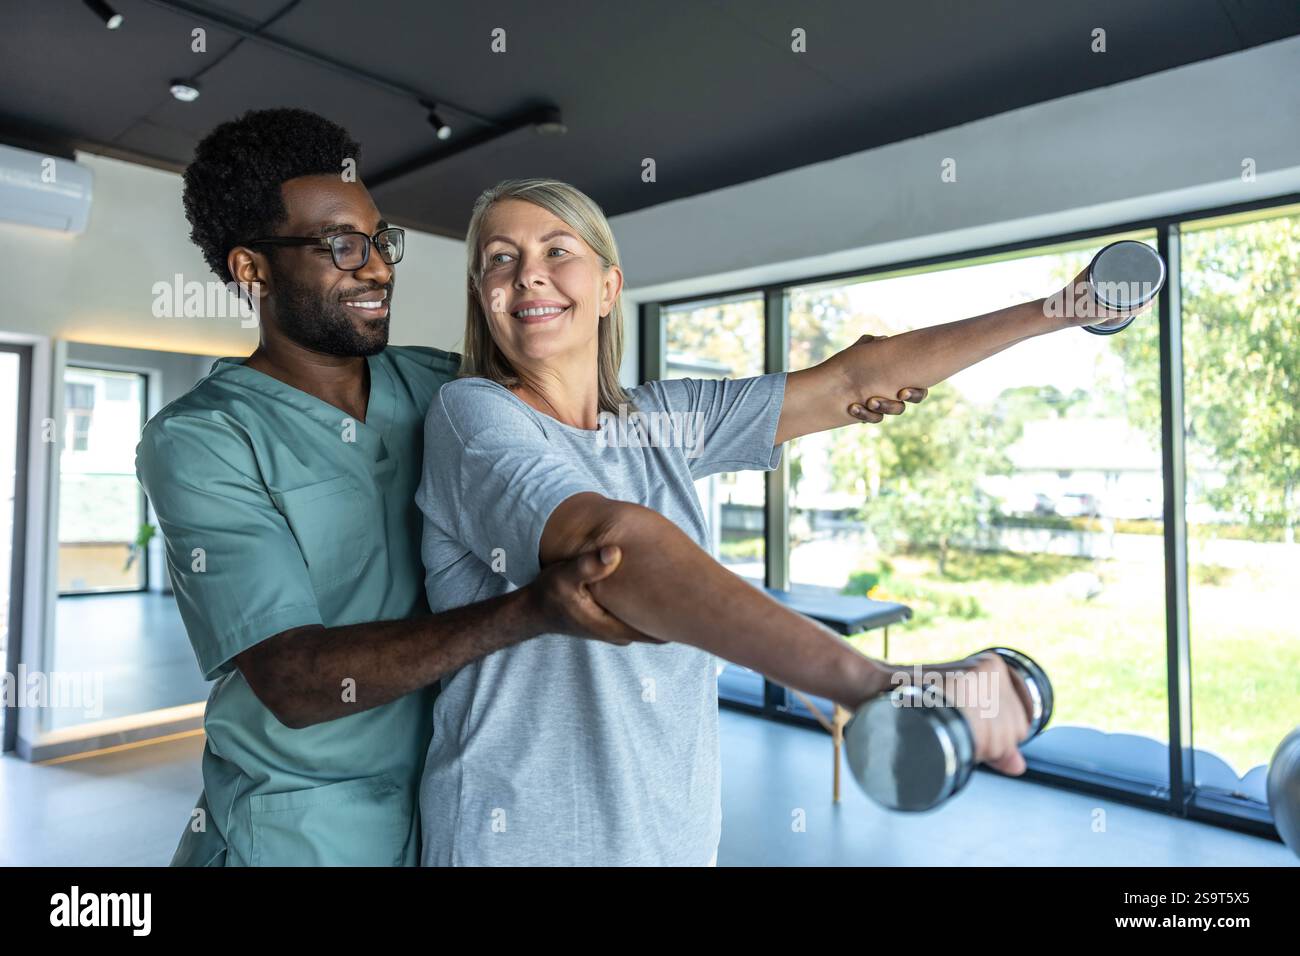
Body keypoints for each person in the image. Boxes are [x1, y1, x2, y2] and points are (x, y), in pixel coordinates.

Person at [136, 110, 919, 866]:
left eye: (380, 240)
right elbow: (293, 679)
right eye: (341, 245)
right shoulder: (202, 440)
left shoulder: (441, 387)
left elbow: (603, 425)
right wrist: (524, 613)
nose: (376, 266)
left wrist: (854, 388)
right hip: (304, 833)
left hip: (449, 803)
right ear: (251, 269)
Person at [414, 178, 1145, 866]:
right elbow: (612, 550)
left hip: (672, 836)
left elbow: (859, 379)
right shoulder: (473, 416)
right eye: (500, 260)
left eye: (556, 251)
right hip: (518, 842)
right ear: (483, 297)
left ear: (609, 289)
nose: (528, 274)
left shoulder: (658, 421)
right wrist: (876, 684)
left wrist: (1064, 308)